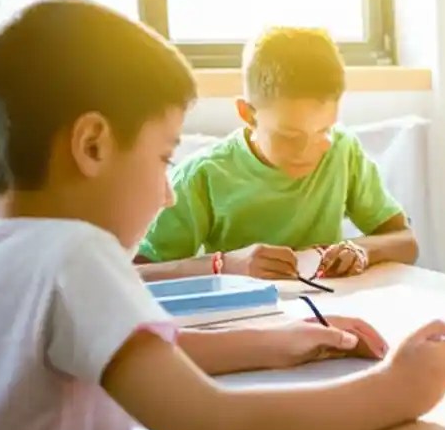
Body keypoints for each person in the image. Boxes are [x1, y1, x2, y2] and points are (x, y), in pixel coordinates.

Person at [0, 0, 445, 430]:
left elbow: (135, 355)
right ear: (92, 144)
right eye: (164, 158)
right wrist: (394, 391)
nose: (169, 193)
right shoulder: (74, 256)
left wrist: (280, 339)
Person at [136, 27, 418, 281]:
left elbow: (406, 241)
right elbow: (137, 275)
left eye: (323, 132)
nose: (308, 151)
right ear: (248, 114)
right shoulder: (203, 175)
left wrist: (361, 249)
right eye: (289, 136)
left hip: (332, 315)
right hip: (247, 324)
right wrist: (224, 264)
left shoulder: (343, 151)